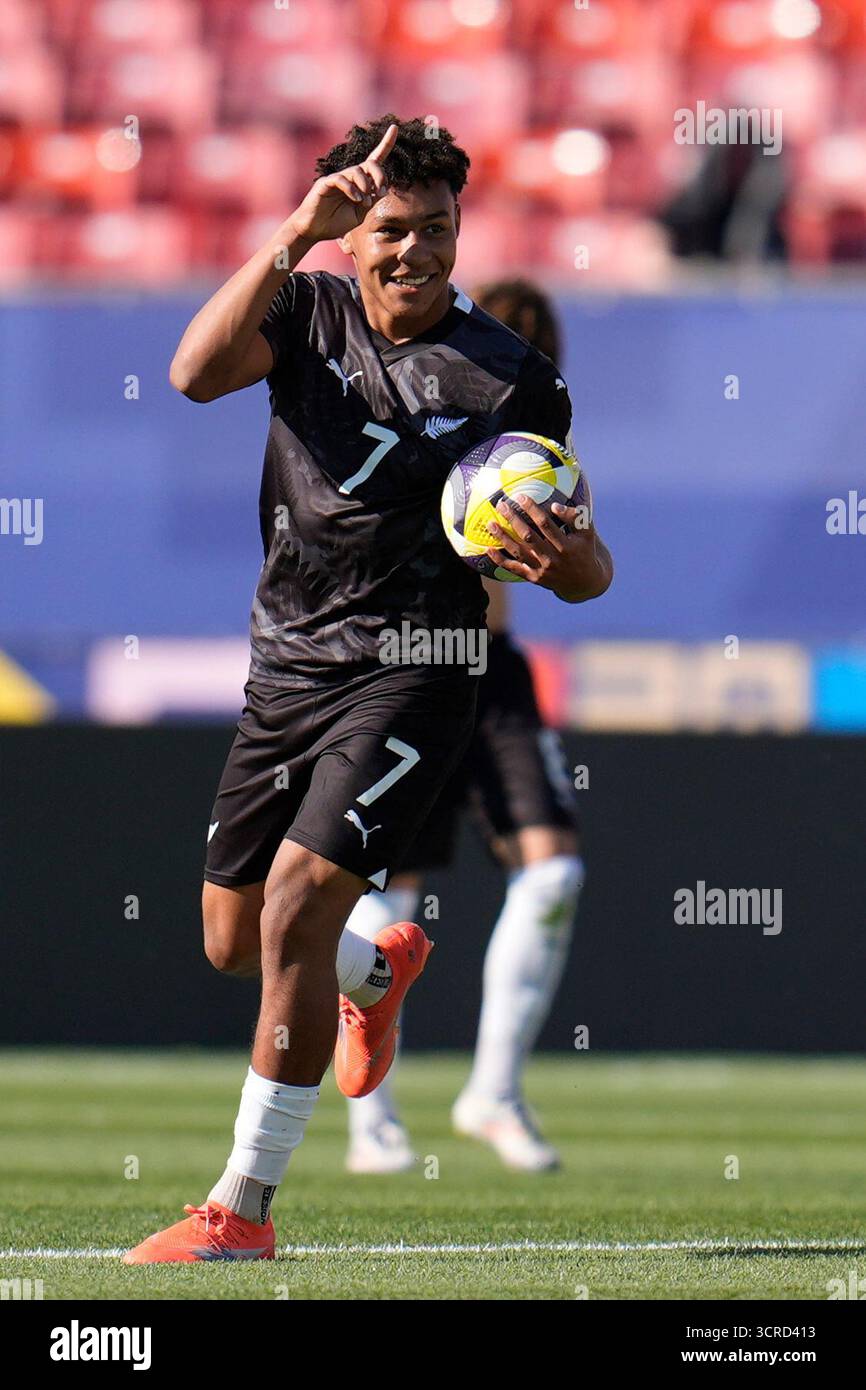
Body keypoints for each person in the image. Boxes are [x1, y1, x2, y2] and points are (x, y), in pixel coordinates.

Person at [123, 116, 612, 1263]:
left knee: (296, 900)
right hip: (287, 661)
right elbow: (192, 375)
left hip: (418, 671)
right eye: (389, 229)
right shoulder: (305, 310)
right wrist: (294, 233)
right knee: (231, 938)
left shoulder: (512, 380)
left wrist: (564, 560)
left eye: (436, 229)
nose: (414, 252)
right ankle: (372, 970)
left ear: (459, 230)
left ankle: (240, 1210)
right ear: (354, 235)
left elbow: (590, 564)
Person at [345, 280, 585, 1176]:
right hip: (412, 664)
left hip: (498, 676)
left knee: (554, 867)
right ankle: (374, 1122)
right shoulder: (418, 424)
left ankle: (493, 1091)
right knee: (387, 895)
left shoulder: (533, 445)